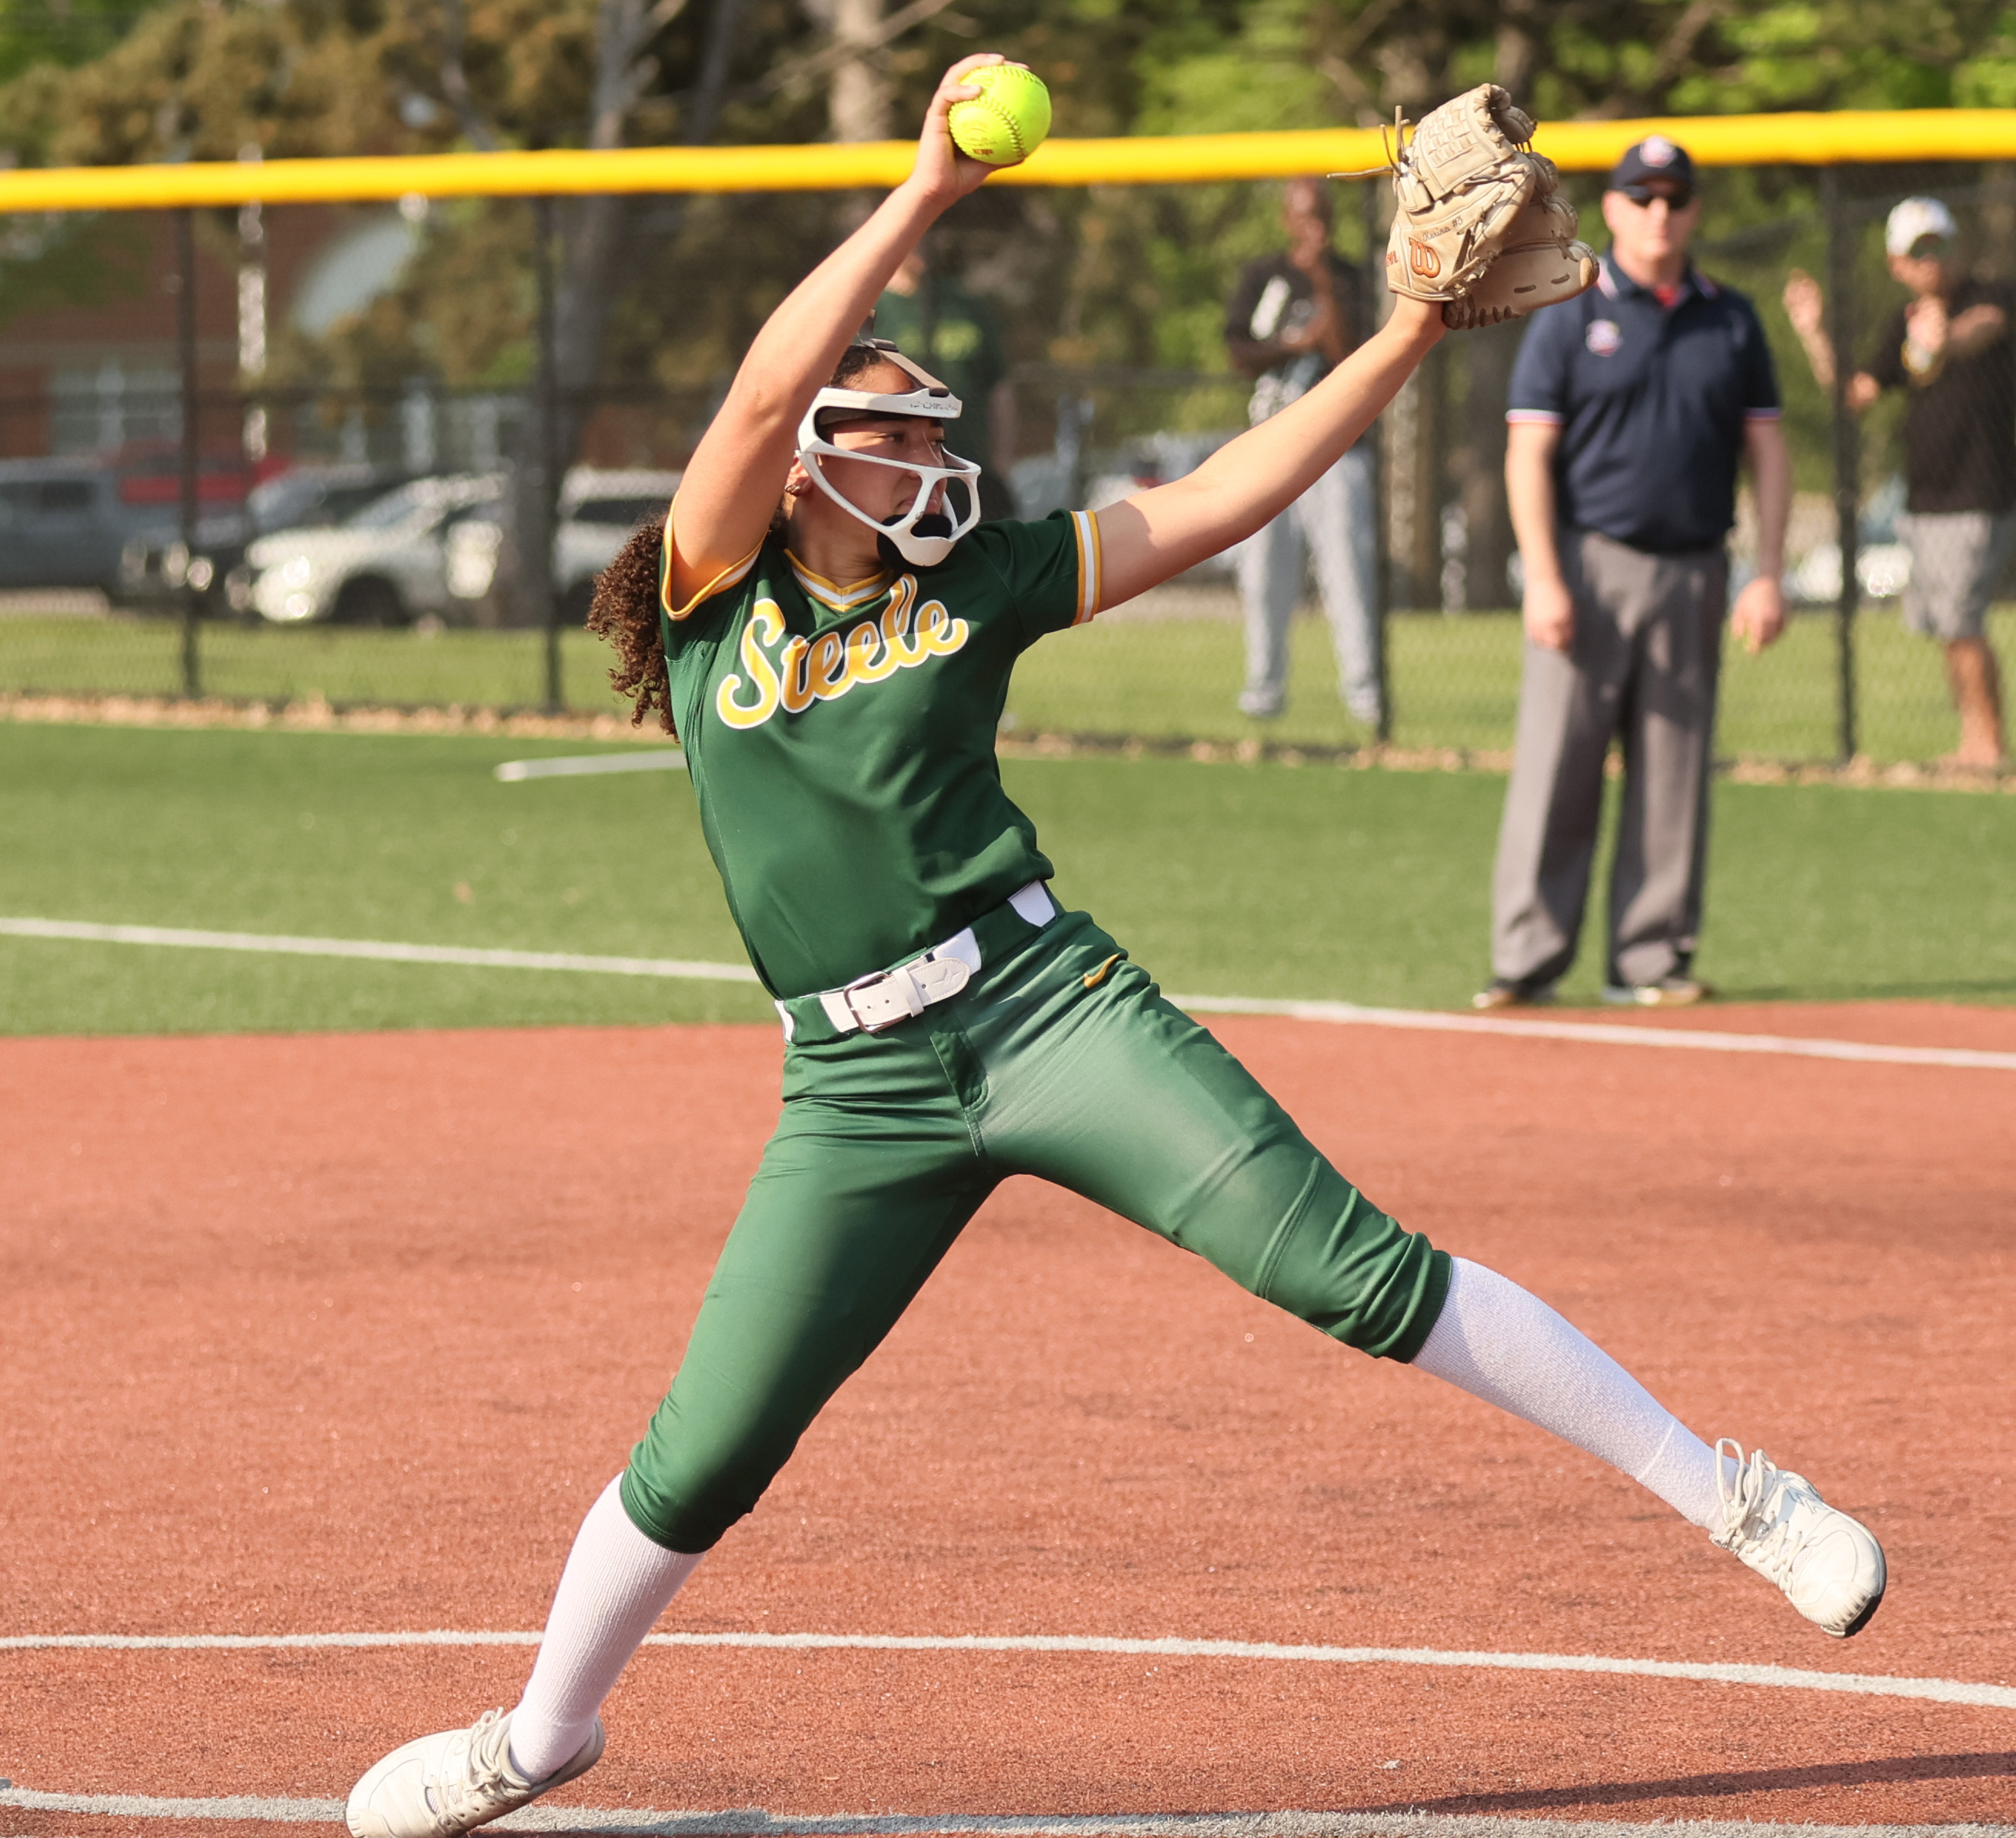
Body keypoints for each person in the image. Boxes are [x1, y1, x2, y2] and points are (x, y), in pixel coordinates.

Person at [344, 72, 1882, 1838]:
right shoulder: (715, 596)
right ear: (815, 463)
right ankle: (541, 1736)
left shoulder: (974, 583)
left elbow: (1229, 488)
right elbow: (769, 382)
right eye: (902, 437)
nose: (936, 461)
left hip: (1043, 1008)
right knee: (706, 1450)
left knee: (1358, 1276)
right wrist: (922, 193)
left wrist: (1402, 329)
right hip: (854, 1089)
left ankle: (1733, 1498)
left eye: (938, 437)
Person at [1478, 135, 1791, 1011]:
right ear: (1611, 211)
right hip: (1588, 563)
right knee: (1557, 766)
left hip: (1694, 568)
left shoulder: (1730, 318)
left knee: (1674, 772)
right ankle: (1526, 960)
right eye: (1641, 198)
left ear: (1693, 211)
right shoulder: (1569, 314)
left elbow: (1767, 449)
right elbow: (1528, 452)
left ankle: (1650, 959)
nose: (1659, 213)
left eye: (1675, 199)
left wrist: (1767, 571)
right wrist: (1542, 575)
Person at [1784, 197, 2012, 770]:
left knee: (1962, 622)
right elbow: (1855, 394)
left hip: (1977, 495)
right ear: (1897, 264)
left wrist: (1943, 339)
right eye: (1919, 251)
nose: (1932, 260)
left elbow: (1978, 332)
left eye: (1939, 245)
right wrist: (1814, 332)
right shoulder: (1902, 325)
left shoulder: (1989, 297)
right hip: (1925, 500)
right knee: (1946, 628)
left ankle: (1987, 748)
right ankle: (1972, 743)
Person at [1224, 177, 1382, 726]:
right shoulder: (1263, 276)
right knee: (1265, 574)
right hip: (1270, 445)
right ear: (1286, 220)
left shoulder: (1351, 277)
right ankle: (1264, 690)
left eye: (1322, 214)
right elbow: (1238, 351)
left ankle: (1365, 693)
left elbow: (1351, 355)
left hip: (1340, 449)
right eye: (1304, 214)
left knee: (1347, 572)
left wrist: (1321, 282)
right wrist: (1290, 344)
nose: (1314, 224)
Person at [874, 246, 1019, 521]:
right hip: (904, 474)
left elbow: (999, 388)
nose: (921, 245)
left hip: (971, 472)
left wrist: (1001, 463)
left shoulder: (966, 304)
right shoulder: (870, 311)